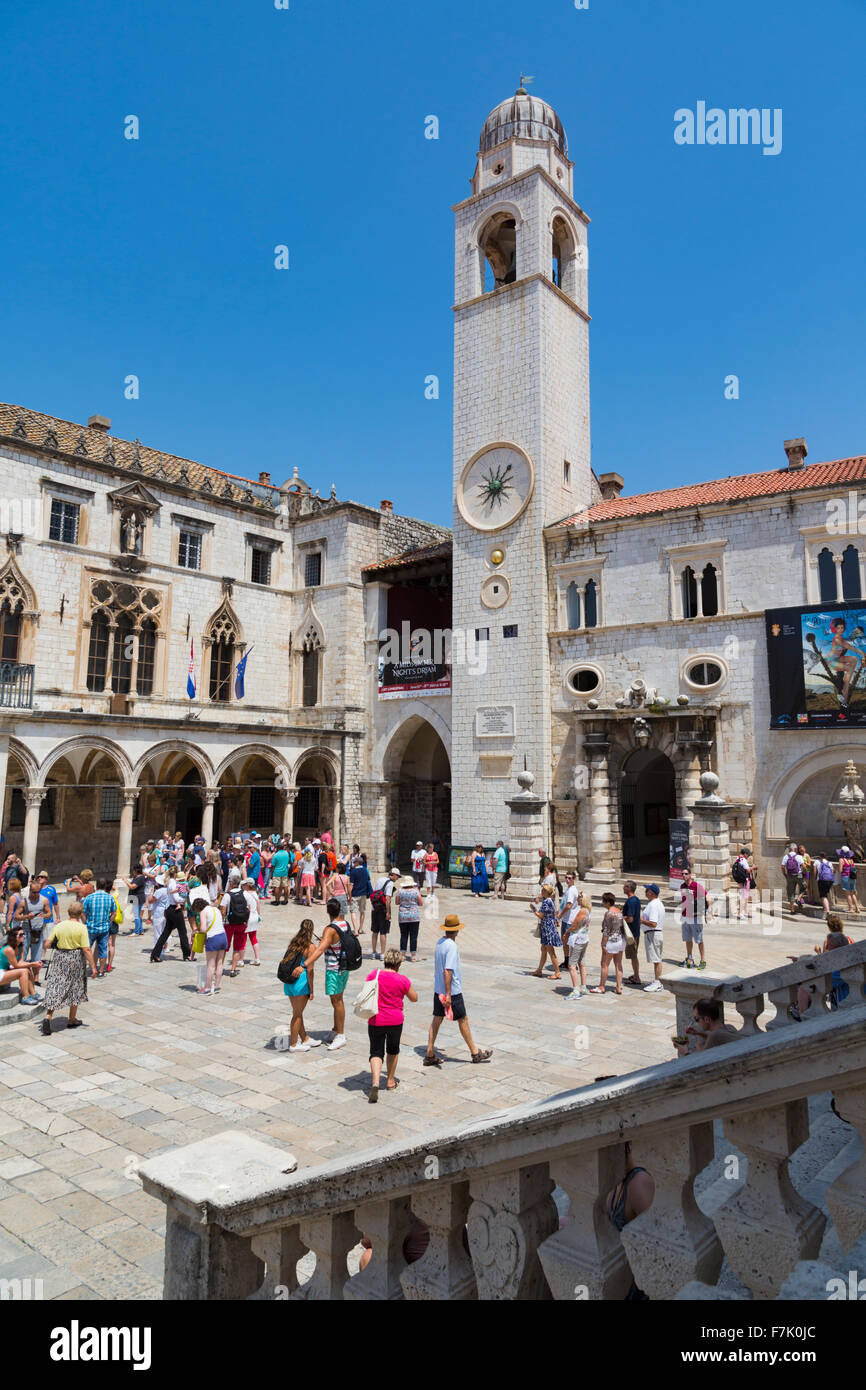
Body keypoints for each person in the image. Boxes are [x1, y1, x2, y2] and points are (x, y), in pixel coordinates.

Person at [424, 914, 491, 1066]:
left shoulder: (440, 942)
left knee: (437, 1019)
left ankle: (429, 1053)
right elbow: (448, 971)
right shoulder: (452, 946)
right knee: (463, 1019)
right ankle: (475, 1052)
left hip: (438, 989)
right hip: (452, 991)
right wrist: (448, 994)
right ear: (457, 931)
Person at [364, 947, 417, 1102]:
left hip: (376, 1019)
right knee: (393, 1050)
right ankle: (390, 1081)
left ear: (385, 961)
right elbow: (414, 998)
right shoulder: (402, 980)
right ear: (399, 964)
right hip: (395, 1020)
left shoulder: (374, 975)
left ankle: (375, 1082)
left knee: (376, 1052)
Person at [302, 899, 353, 1051]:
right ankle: (336, 1029)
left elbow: (319, 950)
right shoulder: (345, 924)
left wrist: (305, 964)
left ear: (328, 911)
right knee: (338, 999)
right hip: (344, 967)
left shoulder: (330, 929)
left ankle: (341, 1035)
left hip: (334, 968)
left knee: (337, 1001)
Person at [41, 900, 96, 1034]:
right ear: (81, 913)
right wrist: (93, 967)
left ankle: (48, 1016)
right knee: (76, 986)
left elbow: (47, 944)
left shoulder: (60, 925)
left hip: (60, 957)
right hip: (75, 958)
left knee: (56, 984)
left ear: (68, 912)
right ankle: (72, 1019)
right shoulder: (82, 928)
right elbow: (87, 949)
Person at [280, 918, 323, 1052]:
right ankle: (293, 1045)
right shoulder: (311, 947)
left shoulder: (293, 943)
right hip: (301, 983)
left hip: (289, 983)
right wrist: (311, 990)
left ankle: (304, 1038)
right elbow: (310, 970)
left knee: (297, 1012)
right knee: (297, 1015)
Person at [189, 888, 228, 995]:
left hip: (213, 938)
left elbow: (203, 929)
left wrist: (195, 931)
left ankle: (207, 988)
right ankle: (216, 986)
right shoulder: (216, 909)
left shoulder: (203, 912)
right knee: (219, 963)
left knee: (210, 965)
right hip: (223, 937)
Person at [151, 872, 192, 965]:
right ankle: (186, 954)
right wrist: (183, 900)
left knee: (166, 932)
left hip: (170, 909)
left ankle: (155, 954)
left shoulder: (170, 883)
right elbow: (176, 897)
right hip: (175, 910)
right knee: (182, 932)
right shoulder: (173, 884)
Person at [674, 997, 739, 1055]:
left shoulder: (714, 1036)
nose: (697, 1022)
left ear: (707, 1019)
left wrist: (685, 1051)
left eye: (696, 1019)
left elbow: (700, 1061)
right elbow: (717, 1038)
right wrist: (698, 1033)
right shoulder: (730, 1027)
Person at [589, 892, 625, 995]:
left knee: (604, 964)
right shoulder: (619, 911)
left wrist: (603, 944)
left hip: (611, 942)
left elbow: (606, 931)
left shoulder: (608, 913)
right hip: (620, 940)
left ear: (608, 902)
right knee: (618, 964)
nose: (602, 903)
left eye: (603, 901)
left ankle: (601, 986)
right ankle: (618, 987)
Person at [0, 924, 42, 1004]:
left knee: (26, 969)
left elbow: (21, 962)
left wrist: (33, 964)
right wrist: (32, 964)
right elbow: (16, 965)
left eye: (24, 934)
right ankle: (25, 997)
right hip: (1, 972)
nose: (24, 936)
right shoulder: (9, 949)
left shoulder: (20, 946)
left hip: (5, 971)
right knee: (23, 971)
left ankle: (33, 993)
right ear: (14, 937)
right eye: (21, 935)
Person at [83, 878, 115, 978]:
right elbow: (114, 912)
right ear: (105, 886)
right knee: (102, 950)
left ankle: (84, 969)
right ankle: (101, 971)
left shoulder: (89, 898)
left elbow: (83, 912)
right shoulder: (110, 898)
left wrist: (85, 922)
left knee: (86, 949)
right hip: (104, 929)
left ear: (96, 886)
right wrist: (109, 922)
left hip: (91, 928)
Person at [562, 890, 591, 999]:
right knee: (582, 963)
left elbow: (575, 925)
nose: (578, 899)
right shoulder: (587, 910)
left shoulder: (582, 911)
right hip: (584, 939)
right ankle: (583, 987)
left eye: (579, 897)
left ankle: (576, 990)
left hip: (578, 940)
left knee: (572, 965)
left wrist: (566, 932)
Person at [221, 874, 251, 978]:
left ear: (232, 883)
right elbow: (249, 909)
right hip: (241, 923)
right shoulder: (245, 894)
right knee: (237, 948)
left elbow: (223, 911)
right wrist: (246, 921)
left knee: (224, 947)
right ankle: (233, 969)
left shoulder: (227, 895)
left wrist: (222, 921)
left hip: (229, 924)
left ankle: (219, 967)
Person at [19, 878, 52, 968]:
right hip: (25, 932)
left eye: (38, 892)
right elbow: (16, 917)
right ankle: (23, 975)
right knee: (23, 957)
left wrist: (44, 915)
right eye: (34, 892)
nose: (36, 894)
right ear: (30, 890)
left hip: (37, 931)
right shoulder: (24, 901)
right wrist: (26, 917)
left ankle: (36, 980)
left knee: (37, 959)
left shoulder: (44, 900)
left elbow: (49, 913)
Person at [679, 875, 711, 970]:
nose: (684, 875)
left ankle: (702, 961)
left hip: (696, 917)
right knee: (687, 939)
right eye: (682, 874)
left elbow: (708, 897)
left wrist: (709, 911)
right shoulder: (682, 886)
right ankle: (690, 959)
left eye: (686, 873)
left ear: (690, 875)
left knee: (699, 940)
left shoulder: (696, 886)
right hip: (685, 917)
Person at [531, 885, 561, 979]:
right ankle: (539, 970)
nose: (541, 891)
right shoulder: (551, 900)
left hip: (547, 929)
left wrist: (534, 909)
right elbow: (554, 913)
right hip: (549, 927)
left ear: (546, 891)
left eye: (543, 890)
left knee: (550, 951)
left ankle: (557, 972)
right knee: (544, 949)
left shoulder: (546, 902)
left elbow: (541, 915)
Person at [370, 866, 399, 960]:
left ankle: (373, 953)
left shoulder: (380, 879)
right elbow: (387, 899)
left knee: (375, 931)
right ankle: (382, 954)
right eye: (397, 876)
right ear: (393, 875)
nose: (397, 878)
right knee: (383, 932)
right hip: (382, 910)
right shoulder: (390, 884)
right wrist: (388, 912)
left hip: (374, 908)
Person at [640, 883, 665, 993]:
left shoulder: (654, 905)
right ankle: (656, 981)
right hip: (654, 933)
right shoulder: (656, 903)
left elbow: (653, 923)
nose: (645, 892)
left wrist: (640, 920)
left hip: (653, 933)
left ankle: (657, 982)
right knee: (656, 958)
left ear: (651, 893)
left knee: (656, 959)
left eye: (647, 890)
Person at [395, 874, 423, 960]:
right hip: (414, 916)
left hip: (403, 916)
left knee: (403, 935)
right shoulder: (416, 891)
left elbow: (396, 902)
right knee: (413, 936)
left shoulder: (400, 891)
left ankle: (403, 955)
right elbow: (421, 903)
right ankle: (413, 956)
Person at [621, 880, 642, 986]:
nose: (623, 888)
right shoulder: (635, 900)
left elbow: (630, 919)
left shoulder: (631, 901)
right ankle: (635, 975)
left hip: (631, 933)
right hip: (634, 932)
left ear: (629, 888)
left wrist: (620, 917)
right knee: (633, 955)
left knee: (633, 956)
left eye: (625, 886)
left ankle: (637, 977)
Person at [557, 870, 579, 970]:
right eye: (566, 877)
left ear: (574, 879)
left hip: (569, 920)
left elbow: (568, 905)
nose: (567, 880)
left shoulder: (571, 890)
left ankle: (572, 962)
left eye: (569, 878)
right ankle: (567, 961)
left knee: (568, 941)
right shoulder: (569, 889)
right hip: (567, 919)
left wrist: (559, 916)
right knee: (565, 941)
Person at [348, 853, 372, 934]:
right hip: (363, 894)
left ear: (357, 863)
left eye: (354, 862)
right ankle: (360, 929)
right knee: (362, 911)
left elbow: (351, 885)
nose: (353, 863)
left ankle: (355, 931)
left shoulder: (353, 872)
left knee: (353, 912)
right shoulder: (365, 870)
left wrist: (349, 895)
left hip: (355, 894)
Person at [241, 878, 262, 965]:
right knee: (253, 939)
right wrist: (259, 916)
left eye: (244, 884)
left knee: (243, 939)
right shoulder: (255, 893)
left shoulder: (245, 894)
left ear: (248, 885)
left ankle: (240, 960)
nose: (242, 886)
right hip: (255, 917)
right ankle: (257, 959)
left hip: (248, 918)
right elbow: (258, 905)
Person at [838, 846, 861, 915]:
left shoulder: (841, 860)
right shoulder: (851, 860)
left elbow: (840, 870)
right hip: (852, 877)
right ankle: (857, 908)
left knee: (848, 894)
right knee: (853, 893)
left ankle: (851, 909)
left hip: (846, 877)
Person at [731, 847, 753, 919]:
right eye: (748, 855)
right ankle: (740, 914)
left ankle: (746, 912)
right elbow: (748, 870)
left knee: (745, 896)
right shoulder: (743, 860)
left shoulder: (737, 859)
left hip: (740, 881)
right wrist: (753, 868)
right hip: (745, 881)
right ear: (745, 854)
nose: (748, 857)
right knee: (744, 896)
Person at [298, 842, 317, 907]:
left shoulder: (304, 859)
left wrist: (299, 867)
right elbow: (316, 868)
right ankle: (307, 902)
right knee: (310, 889)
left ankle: (309, 903)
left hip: (305, 874)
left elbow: (301, 867)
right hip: (311, 874)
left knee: (307, 889)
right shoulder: (313, 859)